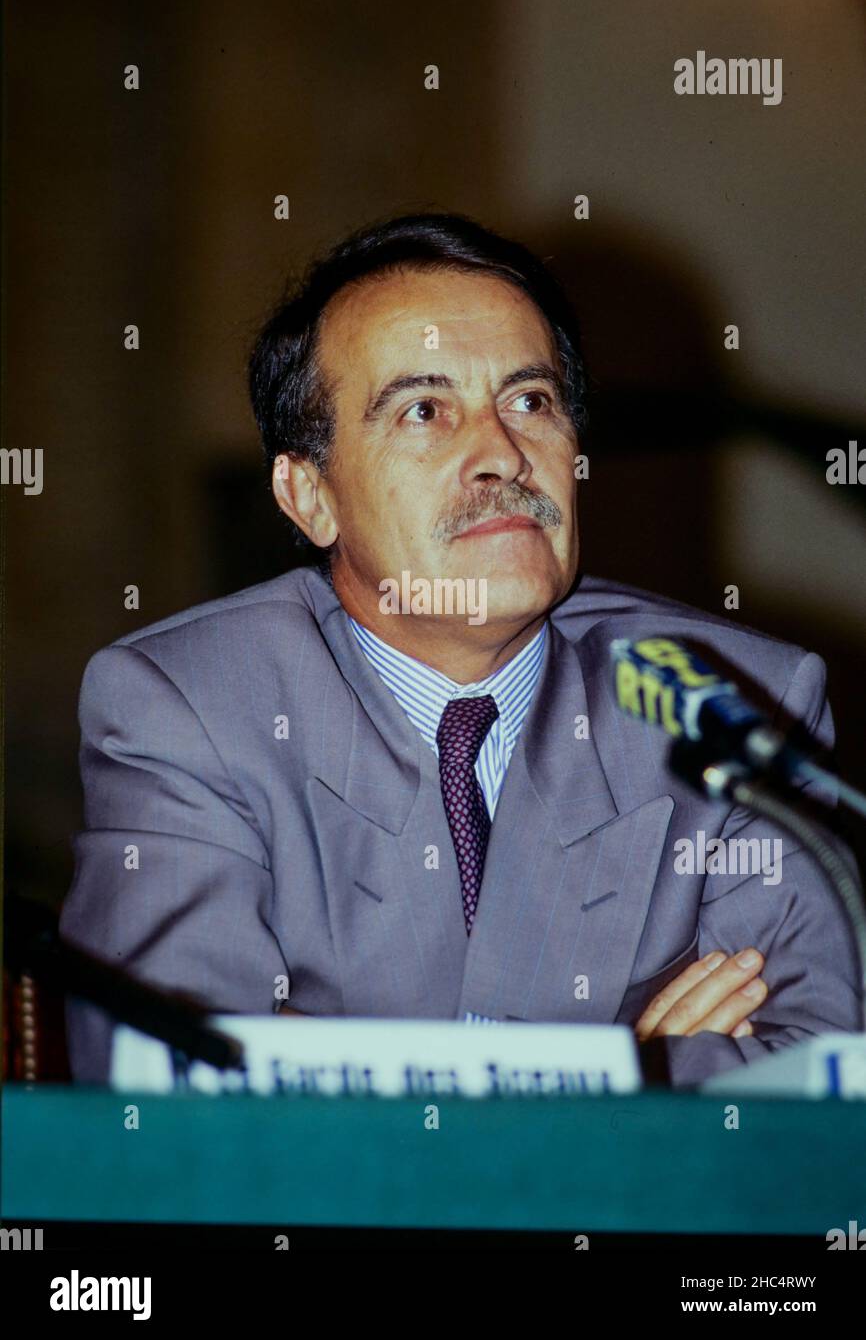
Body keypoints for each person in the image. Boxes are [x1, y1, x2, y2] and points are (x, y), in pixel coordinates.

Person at [60, 212, 861, 1085]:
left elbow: (806, 1094)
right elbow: (177, 1093)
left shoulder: (730, 700)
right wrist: (624, 1073)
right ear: (309, 495)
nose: (502, 456)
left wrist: (331, 1059)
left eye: (530, 401)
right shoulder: (189, 707)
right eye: (426, 410)